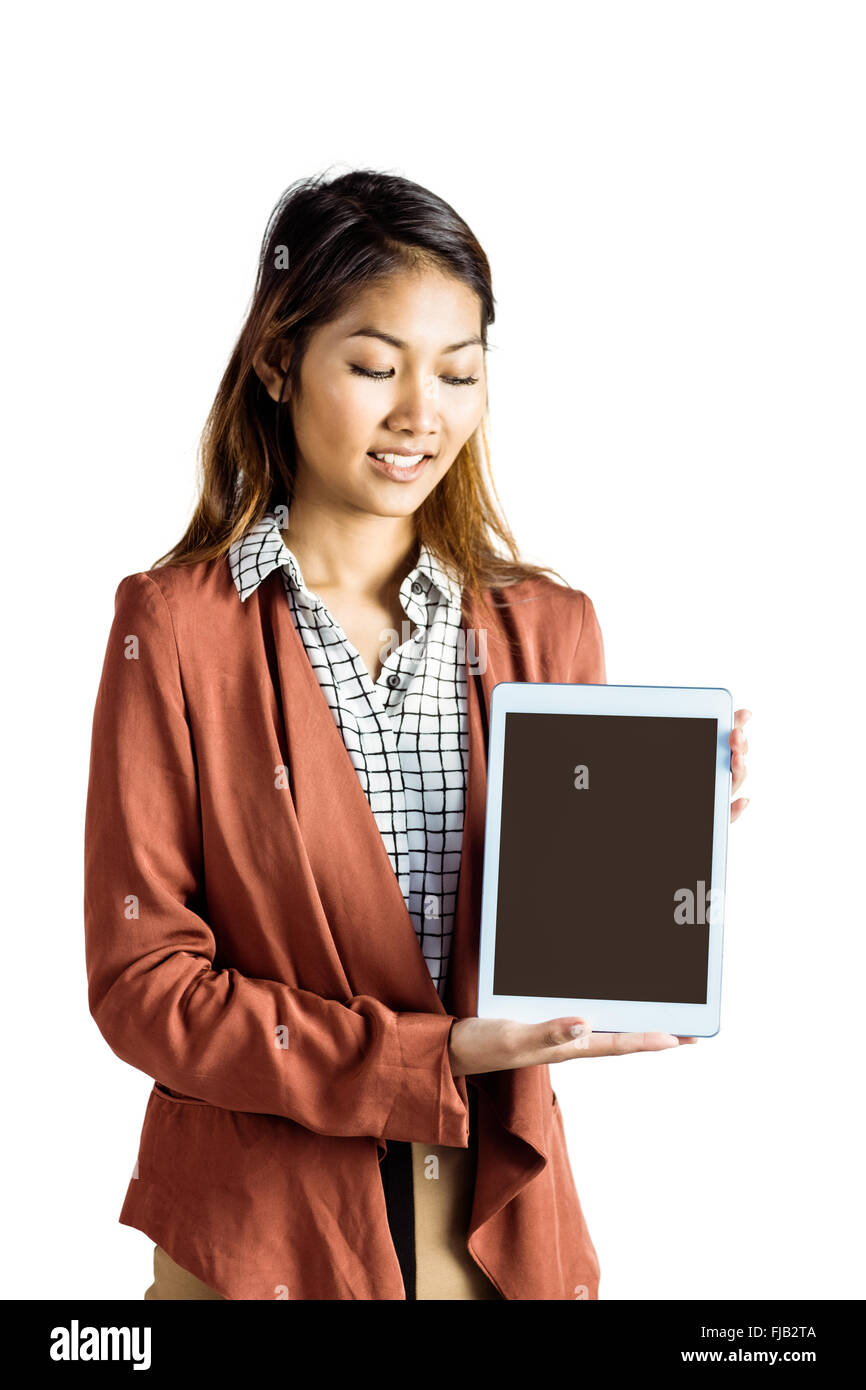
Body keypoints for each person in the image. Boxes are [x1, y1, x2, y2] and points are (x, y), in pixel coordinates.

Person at [83, 167, 751, 1301]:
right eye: (373, 366)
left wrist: (660, 857)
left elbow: (560, 963)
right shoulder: (177, 629)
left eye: (457, 371)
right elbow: (144, 984)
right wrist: (427, 1058)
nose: (418, 414)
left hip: (498, 1236)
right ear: (277, 361)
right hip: (260, 1245)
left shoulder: (548, 628)